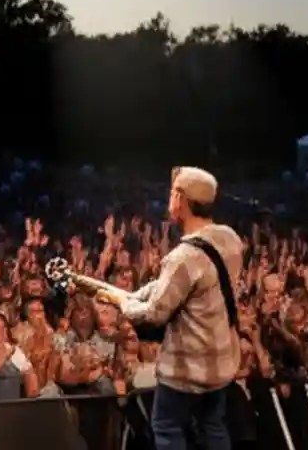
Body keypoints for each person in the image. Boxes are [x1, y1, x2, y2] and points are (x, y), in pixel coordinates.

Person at [93, 166, 243, 450]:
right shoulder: (230, 239)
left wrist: (124, 302)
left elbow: (155, 313)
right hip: (221, 362)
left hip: (186, 370)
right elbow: (176, 286)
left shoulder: (184, 258)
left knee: (166, 426)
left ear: (181, 200)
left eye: (173, 194)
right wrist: (141, 292)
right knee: (213, 427)